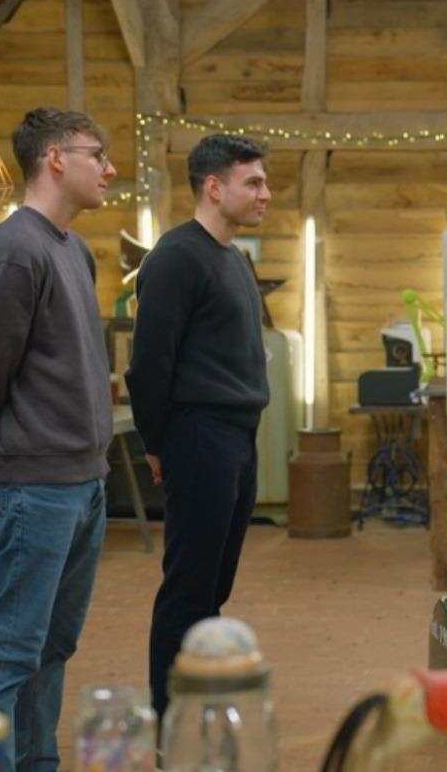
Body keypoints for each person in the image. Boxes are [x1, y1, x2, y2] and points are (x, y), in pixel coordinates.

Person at [0, 107, 118, 770]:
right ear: (55, 159)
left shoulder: (73, 249)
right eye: (96, 155)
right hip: (36, 487)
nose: (109, 169)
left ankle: (35, 763)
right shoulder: (13, 250)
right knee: (11, 648)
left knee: (52, 647)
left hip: (85, 484)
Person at [126, 134, 271, 721]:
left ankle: (197, 701)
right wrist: (158, 444)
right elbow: (148, 365)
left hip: (237, 437)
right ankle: (170, 721)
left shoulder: (233, 257)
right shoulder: (175, 258)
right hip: (198, 435)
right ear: (214, 187)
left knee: (214, 589)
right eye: (253, 182)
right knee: (188, 590)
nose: (266, 192)